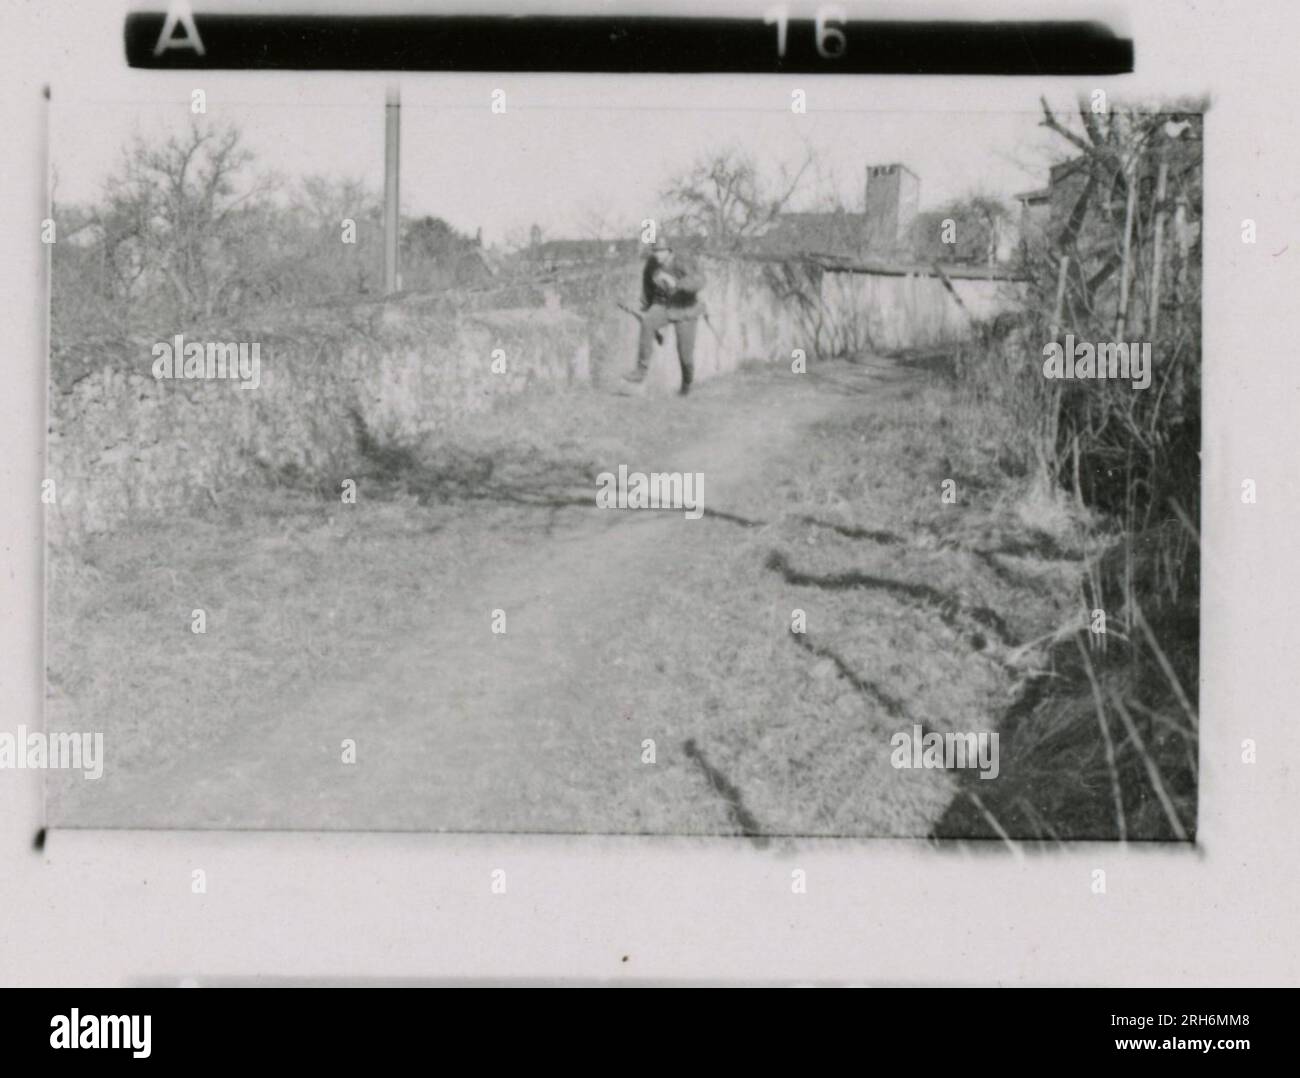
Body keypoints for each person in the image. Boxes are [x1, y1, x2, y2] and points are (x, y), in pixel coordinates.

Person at [624, 238, 706, 396]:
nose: (657, 255)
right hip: (664, 306)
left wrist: (677, 283)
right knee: (648, 322)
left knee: (685, 356)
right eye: (655, 251)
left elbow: (699, 281)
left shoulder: (683, 261)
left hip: (685, 309)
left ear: (669, 250)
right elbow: (647, 287)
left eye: (661, 251)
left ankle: (686, 385)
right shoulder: (652, 264)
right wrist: (646, 306)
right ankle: (641, 371)